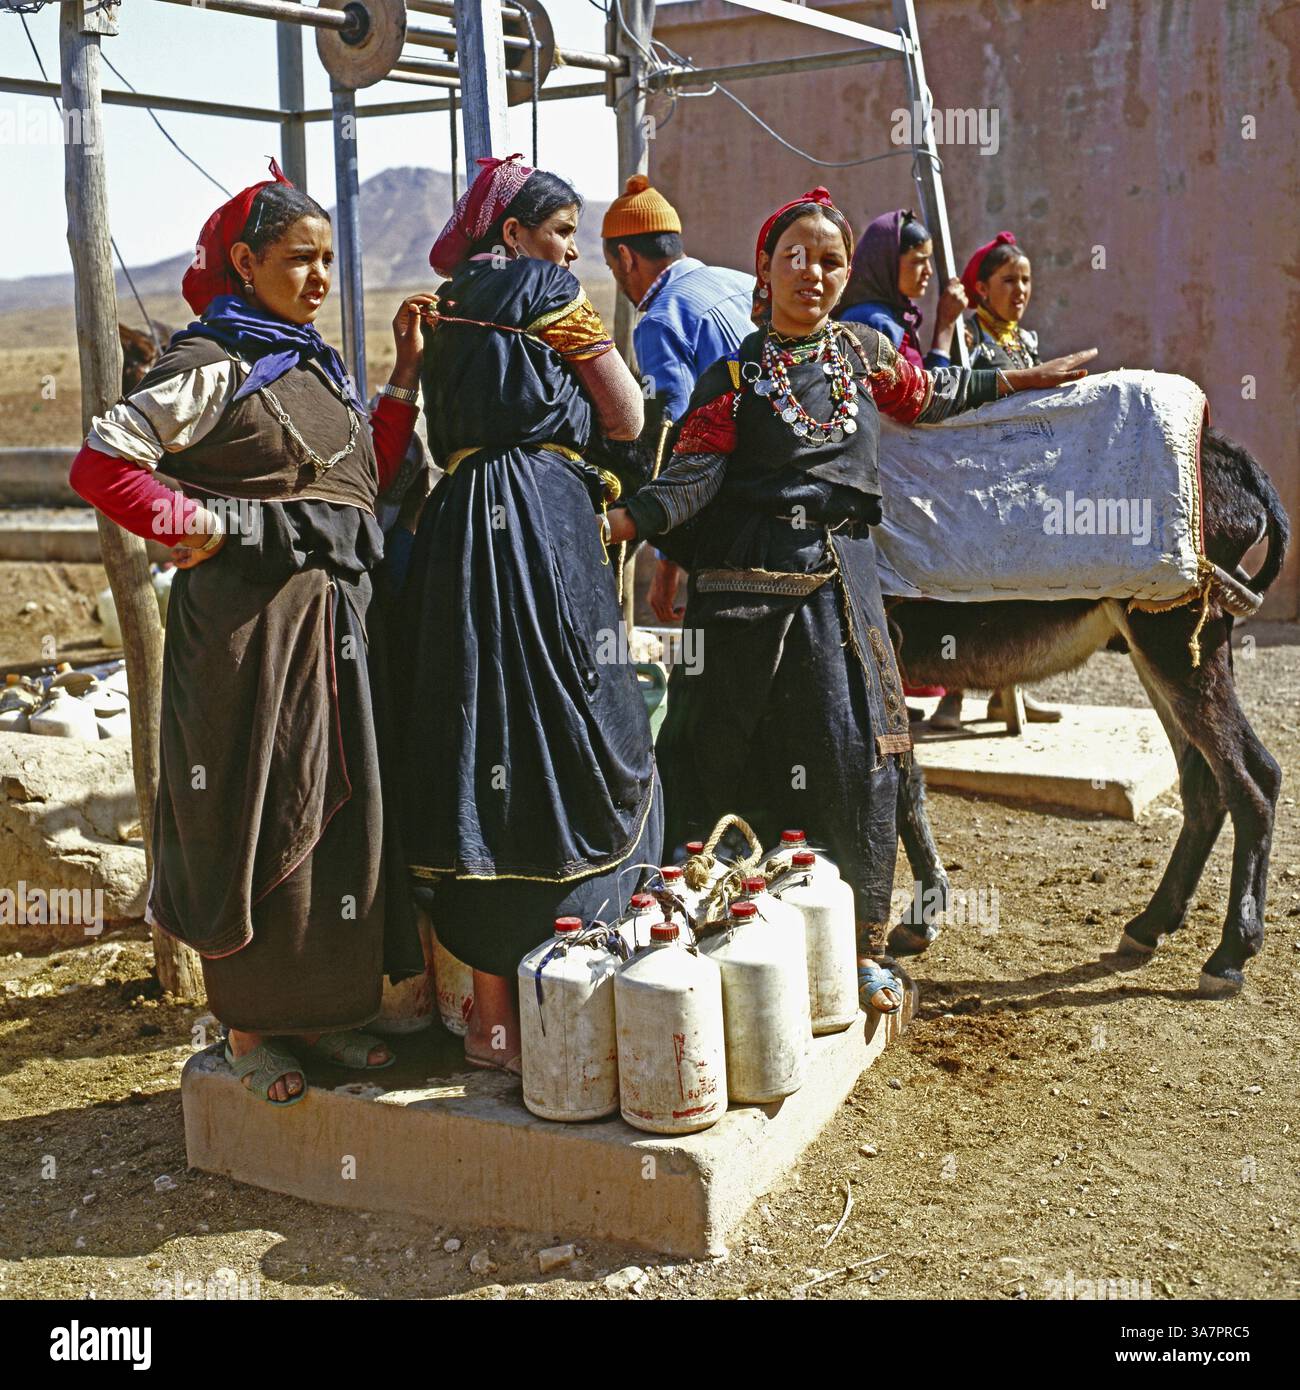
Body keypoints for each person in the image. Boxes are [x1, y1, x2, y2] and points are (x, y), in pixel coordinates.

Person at [603, 188, 1094, 1014]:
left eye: (830, 259)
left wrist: (1020, 380)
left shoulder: (865, 352)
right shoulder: (734, 377)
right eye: (794, 255)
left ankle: (855, 946)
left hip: (842, 592)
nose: (813, 272)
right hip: (746, 599)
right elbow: (688, 481)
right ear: (764, 269)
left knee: (854, 755)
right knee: (717, 758)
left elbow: (927, 395)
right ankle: (693, 933)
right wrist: (617, 522)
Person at [68, 160, 433, 1105]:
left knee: (338, 813)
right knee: (259, 813)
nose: (317, 279)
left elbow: (357, 486)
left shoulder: (317, 365)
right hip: (246, 638)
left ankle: (325, 1014)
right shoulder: (212, 363)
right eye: (297, 260)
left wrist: (401, 382)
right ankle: (249, 1030)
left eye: (325, 261)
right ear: (244, 261)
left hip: (334, 625)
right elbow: (104, 464)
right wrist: (193, 526)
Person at [395, 155, 662, 1074]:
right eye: (558, 231)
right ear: (514, 235)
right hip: (544, 529)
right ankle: (576, 990)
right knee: (576, 718)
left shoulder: (436, 308)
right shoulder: (549, 292)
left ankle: (491, 1024)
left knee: (477, 731)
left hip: (460, 529)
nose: (570, 249)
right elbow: (624, 416)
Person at [601, 174, 755, 623]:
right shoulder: (739, 281)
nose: (620, 282)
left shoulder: (661, 322)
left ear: (626, 257)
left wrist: (667, 562)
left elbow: (675, 447)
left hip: (733, 516)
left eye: (613, 271)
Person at [930, 230, 1063, 730]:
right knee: (974, 591)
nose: (1022, 290)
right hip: (977, 481)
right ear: (982, 289)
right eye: (1010, 280)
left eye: (1026, 280)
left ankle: (1010, 695)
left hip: (1024, 479)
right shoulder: (968, 338)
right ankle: (954, 699)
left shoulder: (1025, 342)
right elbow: (955, 395)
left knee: (1018, 592)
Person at [836, 208, 967, 368]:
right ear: (887, 264)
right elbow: (922, 391)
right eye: (918, 261)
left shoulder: (894, 315)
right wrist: (945, 327)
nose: (928, 271)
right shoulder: (870, 323)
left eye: (928, 260)